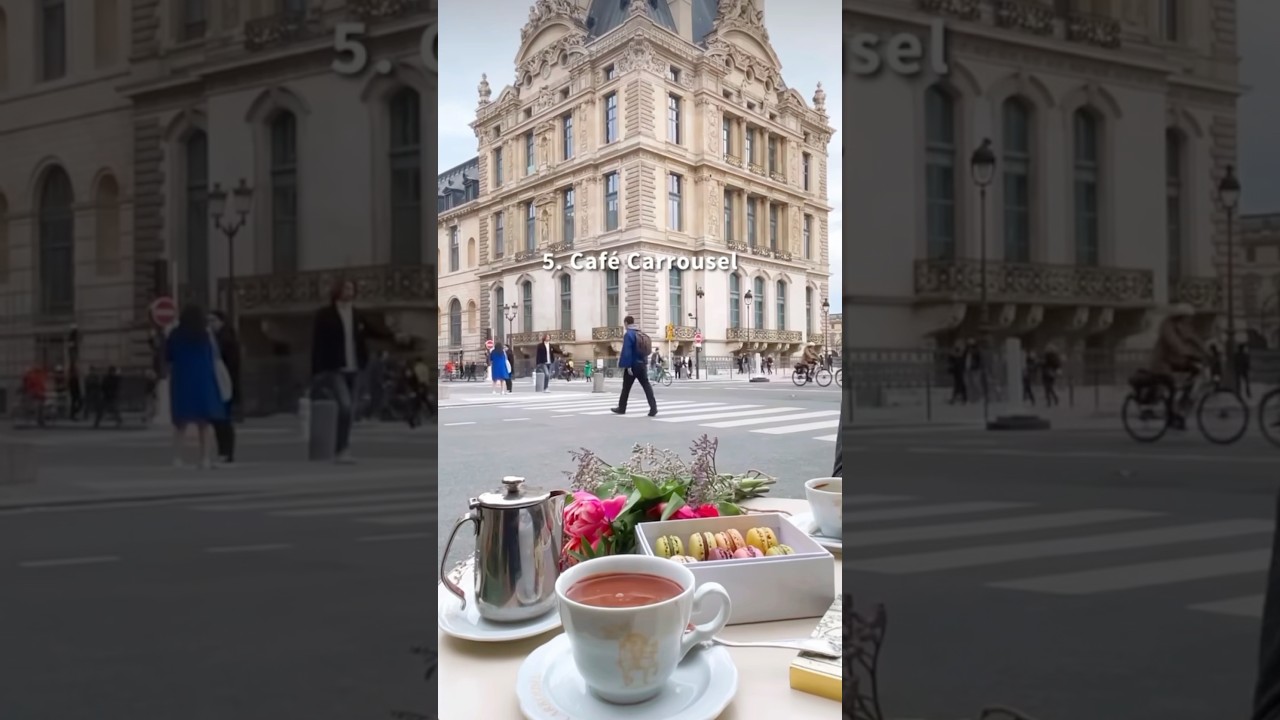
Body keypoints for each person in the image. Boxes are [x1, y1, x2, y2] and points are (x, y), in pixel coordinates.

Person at [310, 277, 400, 463]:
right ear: (338, 291)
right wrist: (316, 369)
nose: (350, 291)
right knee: (345, 406)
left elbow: (373, 331)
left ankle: (342, 449)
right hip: (335, 367)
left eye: (352, 288)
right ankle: (339, 448)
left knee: (349, 410)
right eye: (346, 288)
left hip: (355, 367)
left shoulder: (356, 315)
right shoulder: (325, 315)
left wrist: (394, 336)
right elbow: (317, 343)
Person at [166, 305, 226, 469]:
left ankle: (177, 458)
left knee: (181, 423)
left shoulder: (175, 335)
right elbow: (215, 356)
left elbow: (168, 356)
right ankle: (205, 458)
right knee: (204, 424)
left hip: (182, 380)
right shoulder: (206, 336)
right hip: (203, 380)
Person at [1148, 303, 1208, 429]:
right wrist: (1191, 353)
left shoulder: (1184, 326)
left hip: (1175, 361)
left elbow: (1194, 339)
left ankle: (1182, 405)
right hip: (1162, 362)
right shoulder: (1167, 326)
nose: (1190, 320)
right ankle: (1171, 417)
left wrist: (1206, 351)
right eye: (1188, 317)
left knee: (1196, 371)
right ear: (1181, 316)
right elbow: (1174, 344)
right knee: (1171, 386)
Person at [208, 311, 241, 464]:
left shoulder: (225, 339)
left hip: (225, 383)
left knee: (223, 421)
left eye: (213, 320)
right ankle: (224, 451)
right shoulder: (216, 338)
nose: (210, 323)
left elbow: (231, 364)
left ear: (221, 321)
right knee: (221, 420)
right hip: (222, 383)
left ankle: (226, 452)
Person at [611, 315, 658, 417]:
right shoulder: (640, 333)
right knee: (646, 386)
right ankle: (653, 408)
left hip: (632, 365)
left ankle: (622, 408)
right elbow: (644, 351)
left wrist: (627, 366)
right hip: (642, 365)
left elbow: (627, 351)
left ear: (626, 323)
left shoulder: (629, 334)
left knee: (626, 388)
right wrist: (644, 363)